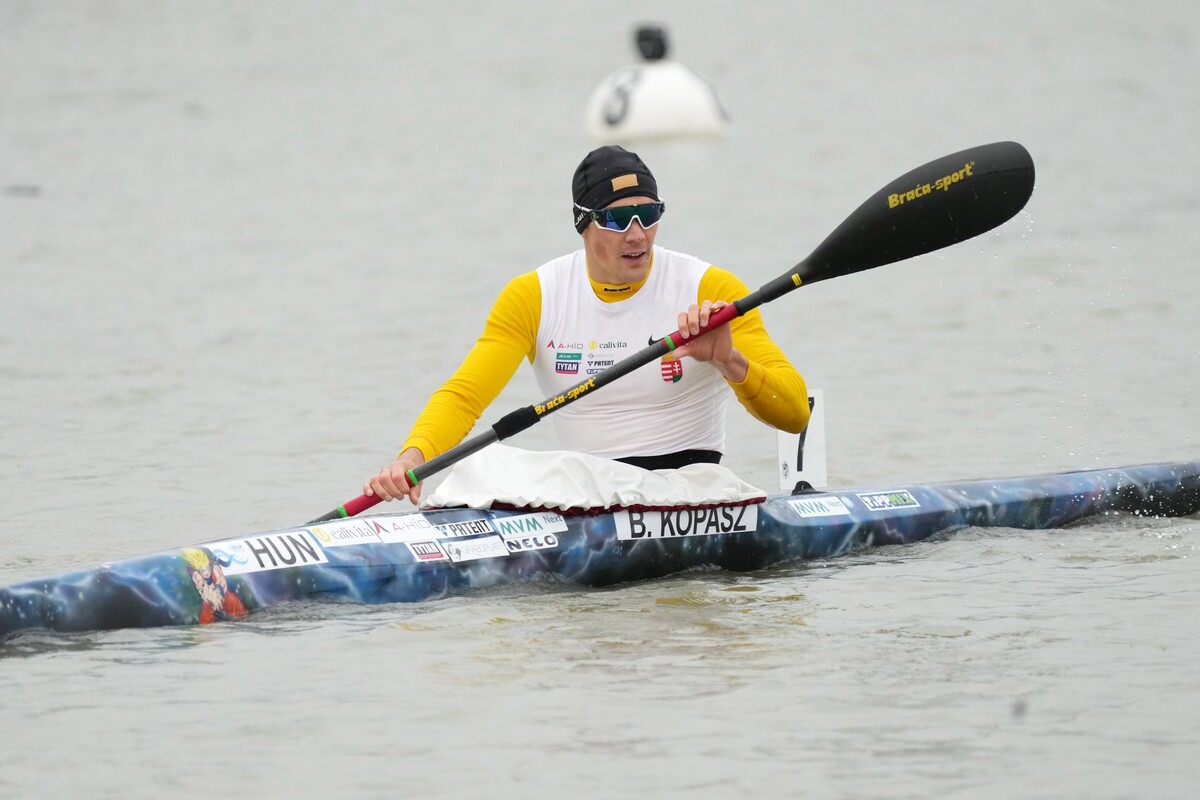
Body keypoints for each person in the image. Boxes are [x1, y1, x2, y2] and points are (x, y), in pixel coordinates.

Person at [366, 145, 809, 505]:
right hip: (587, 495)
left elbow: (794, 415)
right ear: (583, 224)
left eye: (649, 214)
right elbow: (464, 396)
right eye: (617, 219)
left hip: (689, 490)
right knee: (479, 467)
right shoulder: (534, 296)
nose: (638, 234)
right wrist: (411, 458)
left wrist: (729, 361)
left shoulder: (710, 289)